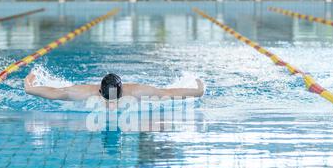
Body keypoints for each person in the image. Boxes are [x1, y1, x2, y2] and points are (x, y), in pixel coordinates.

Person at [24, 72, 205, 101]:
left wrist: (197, 92)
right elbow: (55, 93)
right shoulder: (83, 93)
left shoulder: (137, 91)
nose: (110, 103)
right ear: (99, 91)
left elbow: (169, 93)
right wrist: (30, 87)